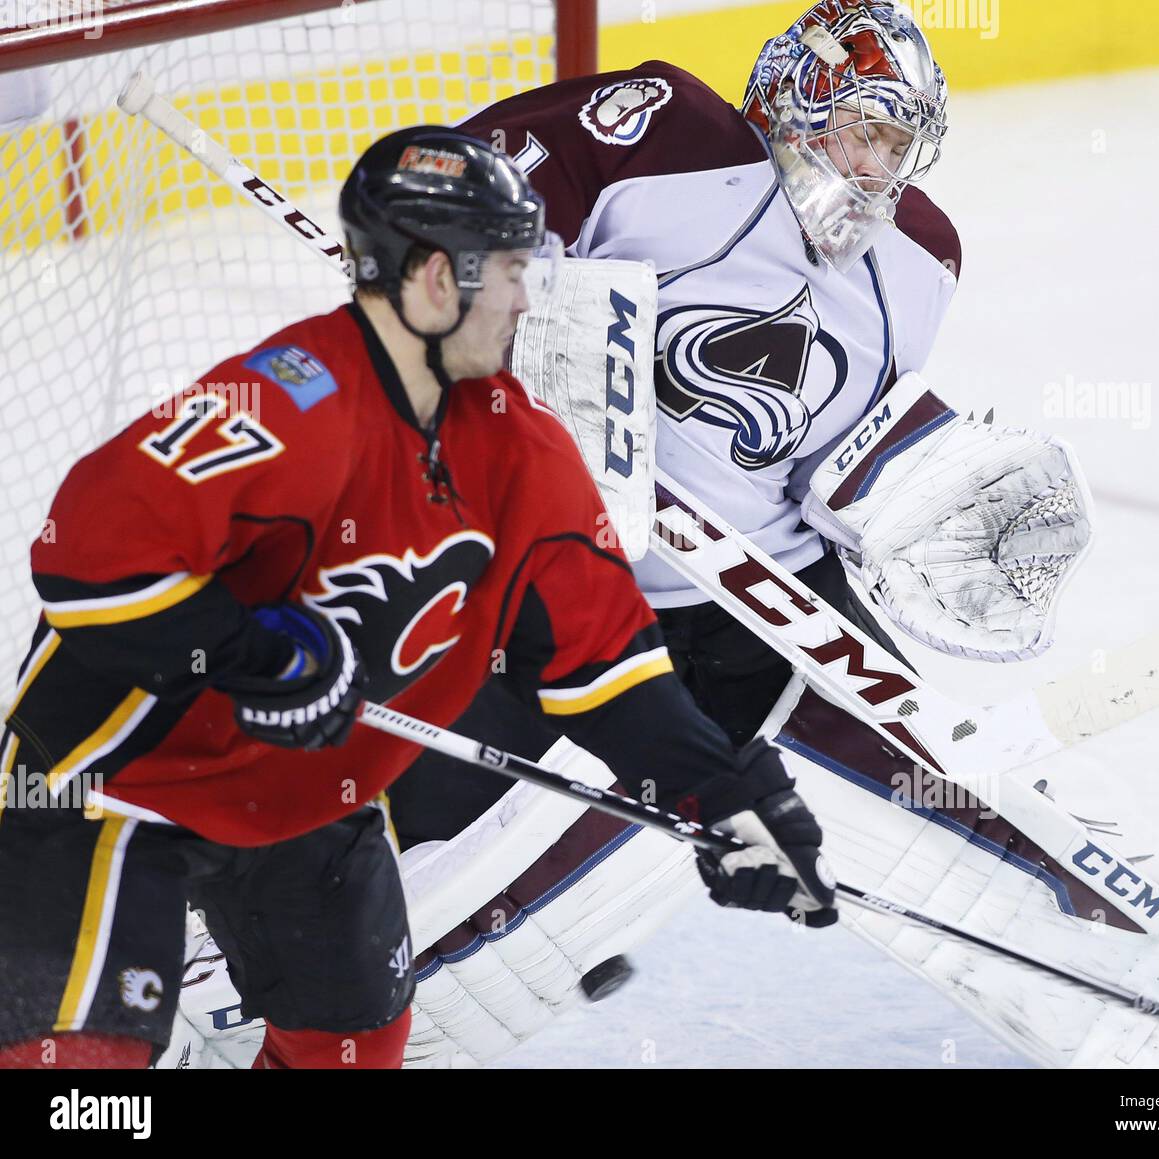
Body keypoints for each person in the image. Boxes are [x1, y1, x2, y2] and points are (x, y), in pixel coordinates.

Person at [0, 126, 836, 1070]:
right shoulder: (286, 399)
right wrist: (251, 654)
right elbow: (88, 557)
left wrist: (722, 793)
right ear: (436, 280)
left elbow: (603, 666)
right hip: (119, 787)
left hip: (313, 800)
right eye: (509, 269)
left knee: (348, 1051)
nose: (528, 295)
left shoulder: (527, 453)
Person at [391, 0, 959, 835]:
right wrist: (519, 317)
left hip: (766, 595)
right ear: (795, 94)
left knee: (941, 787)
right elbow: (462, 177)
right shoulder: (669, 137)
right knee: (433, 822)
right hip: (577, 579)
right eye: (862, 130)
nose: (878, 167)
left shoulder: (922, 259)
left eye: (897, 147)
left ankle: (1065, 886)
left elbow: (852, 457)